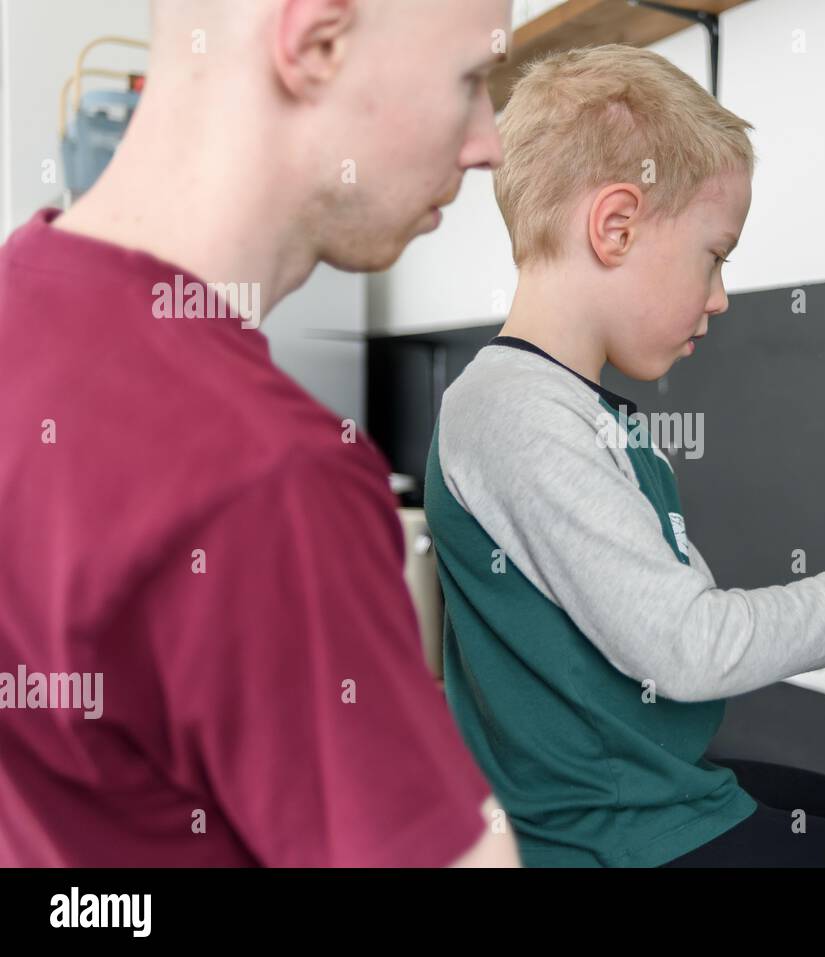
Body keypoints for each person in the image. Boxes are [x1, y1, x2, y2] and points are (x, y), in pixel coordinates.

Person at [426, 44, 825, 867]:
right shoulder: (514, 411)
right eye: (715, 254)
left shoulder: (569, 410)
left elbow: (674, 625)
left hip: (645, 790)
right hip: (609, 834)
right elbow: (688, 646)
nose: (718, 296)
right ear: (616, 226)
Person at [0, 0, 519, 867]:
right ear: (315, 44)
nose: (487, 141)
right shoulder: (268, 474)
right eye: (470, 81)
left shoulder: (19, 303)